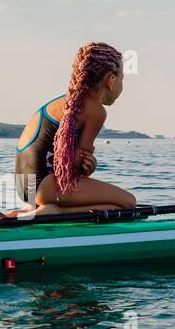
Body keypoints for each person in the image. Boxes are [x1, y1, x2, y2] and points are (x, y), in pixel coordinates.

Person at [13, 42, 136, 214]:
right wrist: (90, 165)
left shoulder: (61, 103)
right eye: (122, 79)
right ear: (111, 80)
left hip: (23, 186)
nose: (122, 85)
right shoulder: (95, 111)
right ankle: (54, 211)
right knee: (128, 203)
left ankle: (30, 210)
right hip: (45, 187)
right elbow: (77, 168)